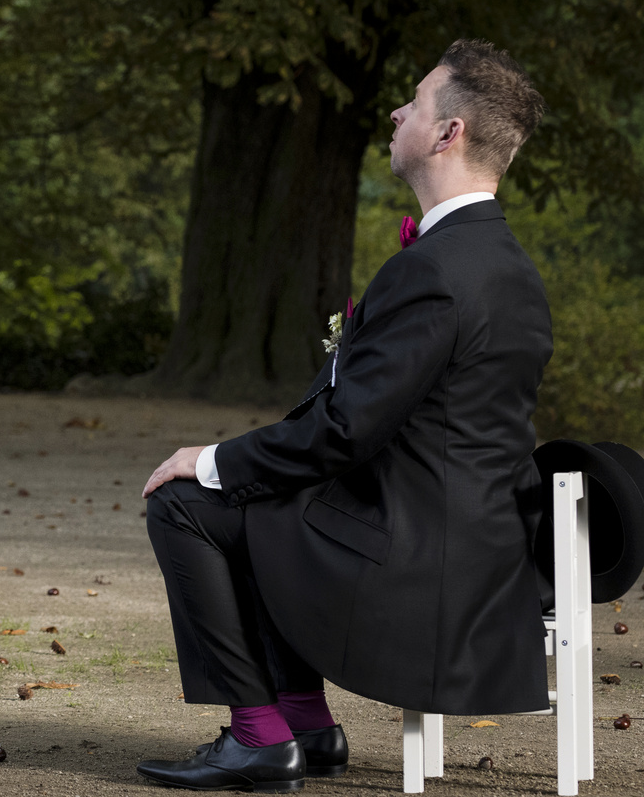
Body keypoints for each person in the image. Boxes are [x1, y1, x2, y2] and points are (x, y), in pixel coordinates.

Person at [135, 40, 551, 791]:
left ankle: (260, 738)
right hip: (470, 548)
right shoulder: (505, 263)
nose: (396, 112)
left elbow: (346, 430)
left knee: (185, 502)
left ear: (449, 134)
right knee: (263, 494)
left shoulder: (436, 270)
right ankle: (305, 725)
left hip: (423, 571)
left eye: (415, 102)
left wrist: (212, 458)